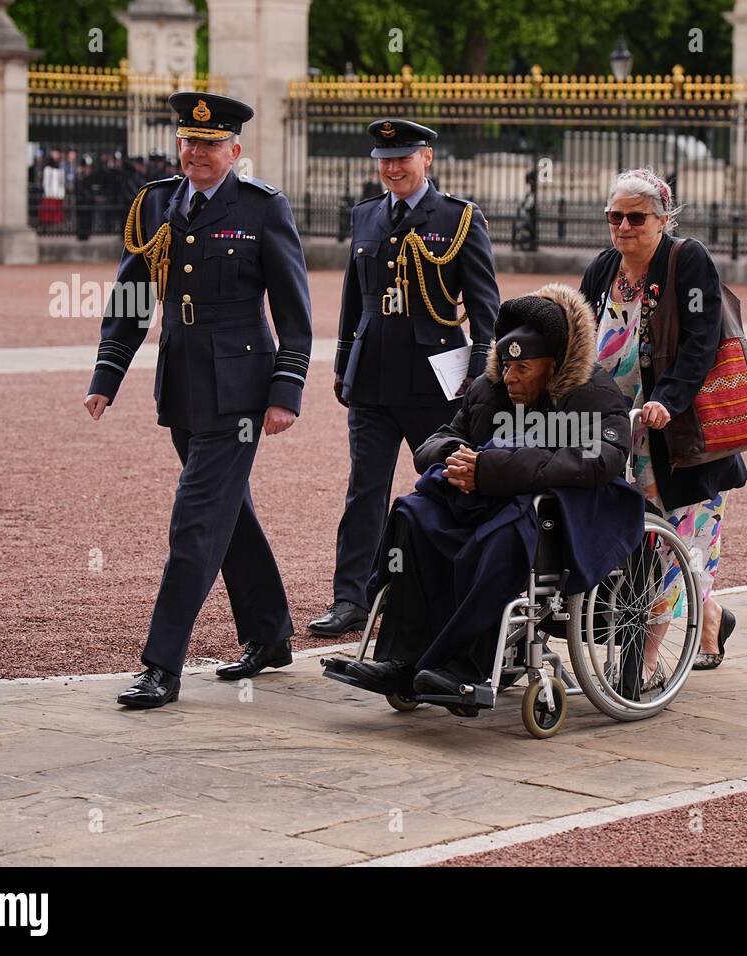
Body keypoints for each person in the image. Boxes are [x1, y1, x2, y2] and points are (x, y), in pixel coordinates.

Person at [83, 92, 313, 708]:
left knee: (194, 521)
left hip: (240, 392)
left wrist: (286, 390)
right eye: (188, 141)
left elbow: (294, 311)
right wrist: (108, 374)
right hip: (182, 384)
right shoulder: (156, 202)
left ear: (234, 150)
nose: (197, 153)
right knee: (227, 513)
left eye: (210, 144)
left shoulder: (263, 208)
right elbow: (132, 295)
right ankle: (269, 634)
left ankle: (161, 665)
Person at [329, 286, 643, 707]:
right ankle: (400, 659)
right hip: (483, 502)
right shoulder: (490, 388)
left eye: (524, 368)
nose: (511, 377)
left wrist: (492, 469)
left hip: (558, 514)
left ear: (553, 366)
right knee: (412, 514)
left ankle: (466, 669)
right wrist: (458, 458)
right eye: (507, 363)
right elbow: (440, 439)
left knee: (502, 534)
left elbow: (599, 458)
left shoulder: (591, 393)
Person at [308, 118, 500, 638]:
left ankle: (453, 591)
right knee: (363, 492)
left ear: (427, 159)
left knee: (446, 484)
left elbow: (486, 307)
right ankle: (352, 598)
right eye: (384, 160)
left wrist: (485, 374)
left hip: (437, 381)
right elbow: (354, 299)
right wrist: (342, 363)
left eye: (403, 159)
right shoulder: (367, 215)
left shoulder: (459, 218)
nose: (392, 168)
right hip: (371, 377)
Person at [579, 167, 747, 674]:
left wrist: (668, 401)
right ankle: (711, 617)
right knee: (628, 536)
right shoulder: (602, 268)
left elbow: (701, 341)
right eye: (615, 216)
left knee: (675, 542)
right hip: (617, 427)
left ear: (662, 219)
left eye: (636, 217)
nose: (624, 226)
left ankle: (645, 661)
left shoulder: (686, 260)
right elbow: (580, 340)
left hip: (675, 433)